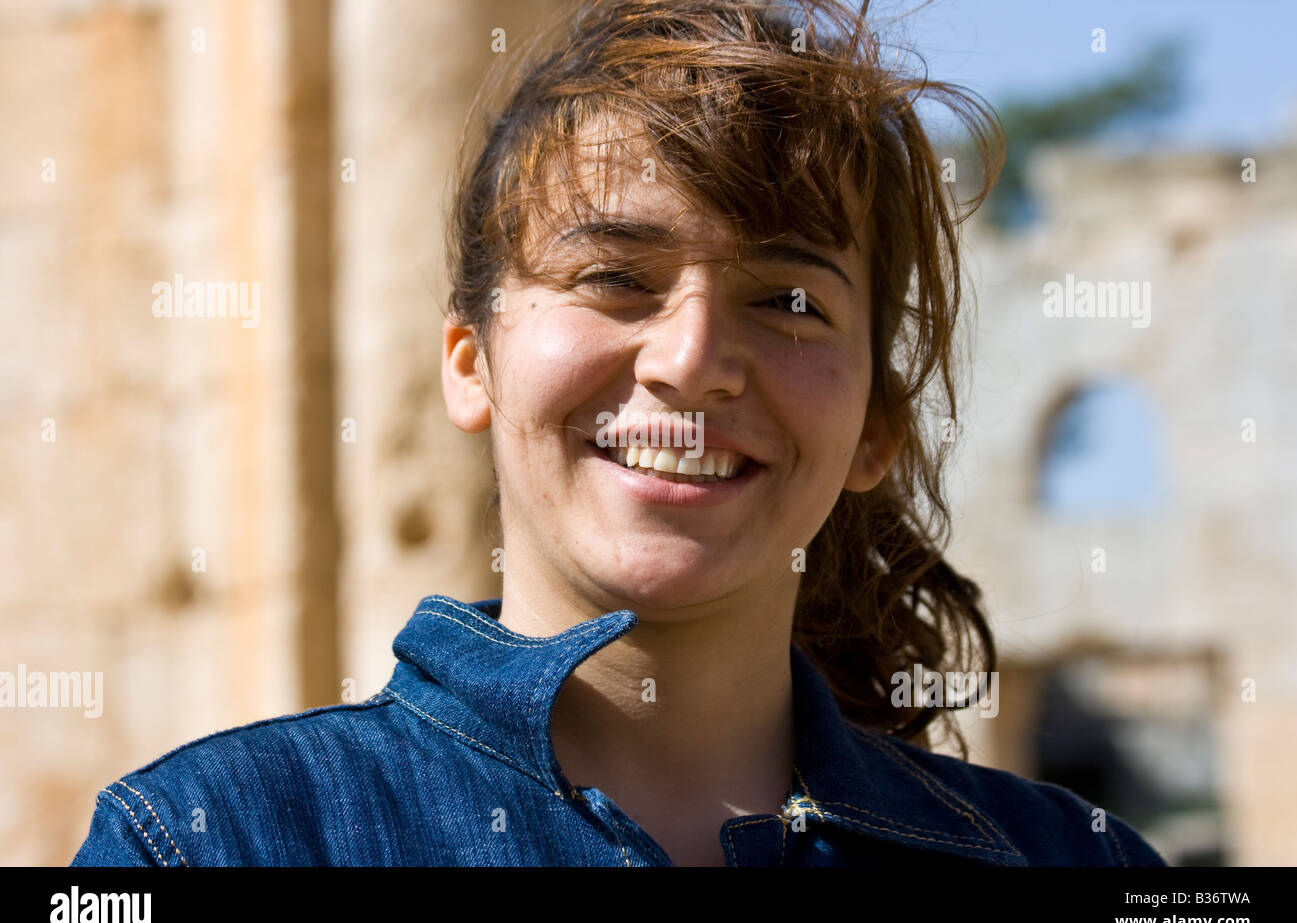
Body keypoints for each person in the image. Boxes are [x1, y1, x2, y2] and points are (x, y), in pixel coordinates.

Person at [71, 0, 1166, 867]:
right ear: (471, 363)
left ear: (875, 426)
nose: (690, 356)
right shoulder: (210, 842)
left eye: (787, 301)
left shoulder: (1079, 862)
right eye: (612, 277)